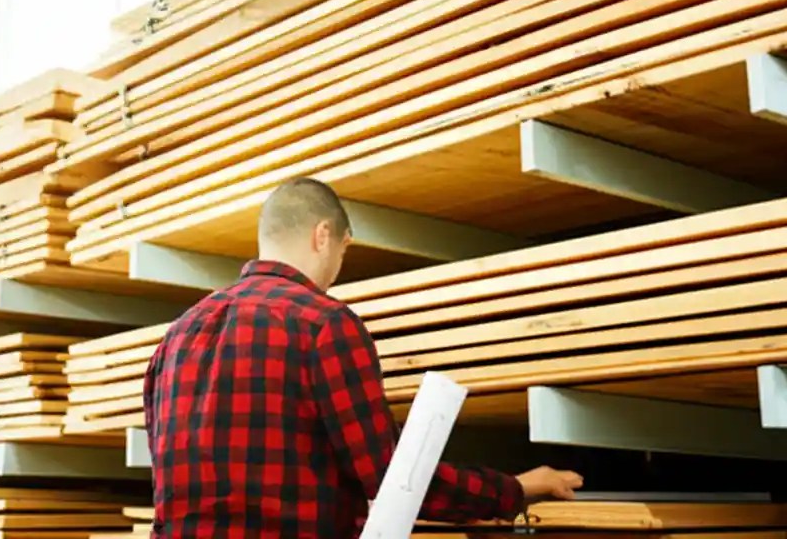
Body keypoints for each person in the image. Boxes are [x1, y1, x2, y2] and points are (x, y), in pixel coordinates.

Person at [143, 177, 583, 537]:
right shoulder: (322, 325)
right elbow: (394, 481)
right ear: (323, 236)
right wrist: (516, 489)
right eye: (343, 249)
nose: (337, 266)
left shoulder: (176, 337)